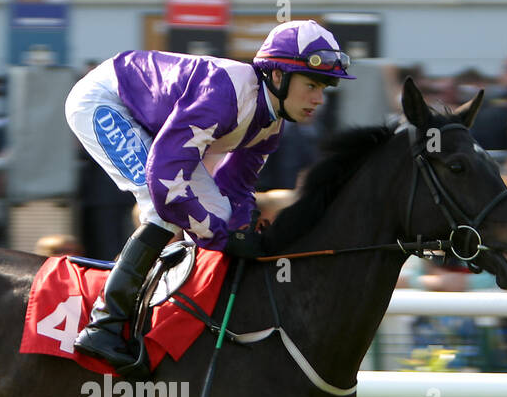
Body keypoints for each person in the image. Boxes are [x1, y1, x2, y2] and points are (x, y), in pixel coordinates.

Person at [62, 19, 354, 370]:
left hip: (151, 120)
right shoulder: (225, 94)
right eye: (311, 85)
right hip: (103, 99)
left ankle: (180, 322)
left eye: (324, 88)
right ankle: (105, 322)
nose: (319, 99)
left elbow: (237, 189)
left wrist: (241, 232)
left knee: (219, 212)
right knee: (161, 209)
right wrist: (218, 234)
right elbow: (165, 178)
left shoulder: (270, 127)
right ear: (278, 76)